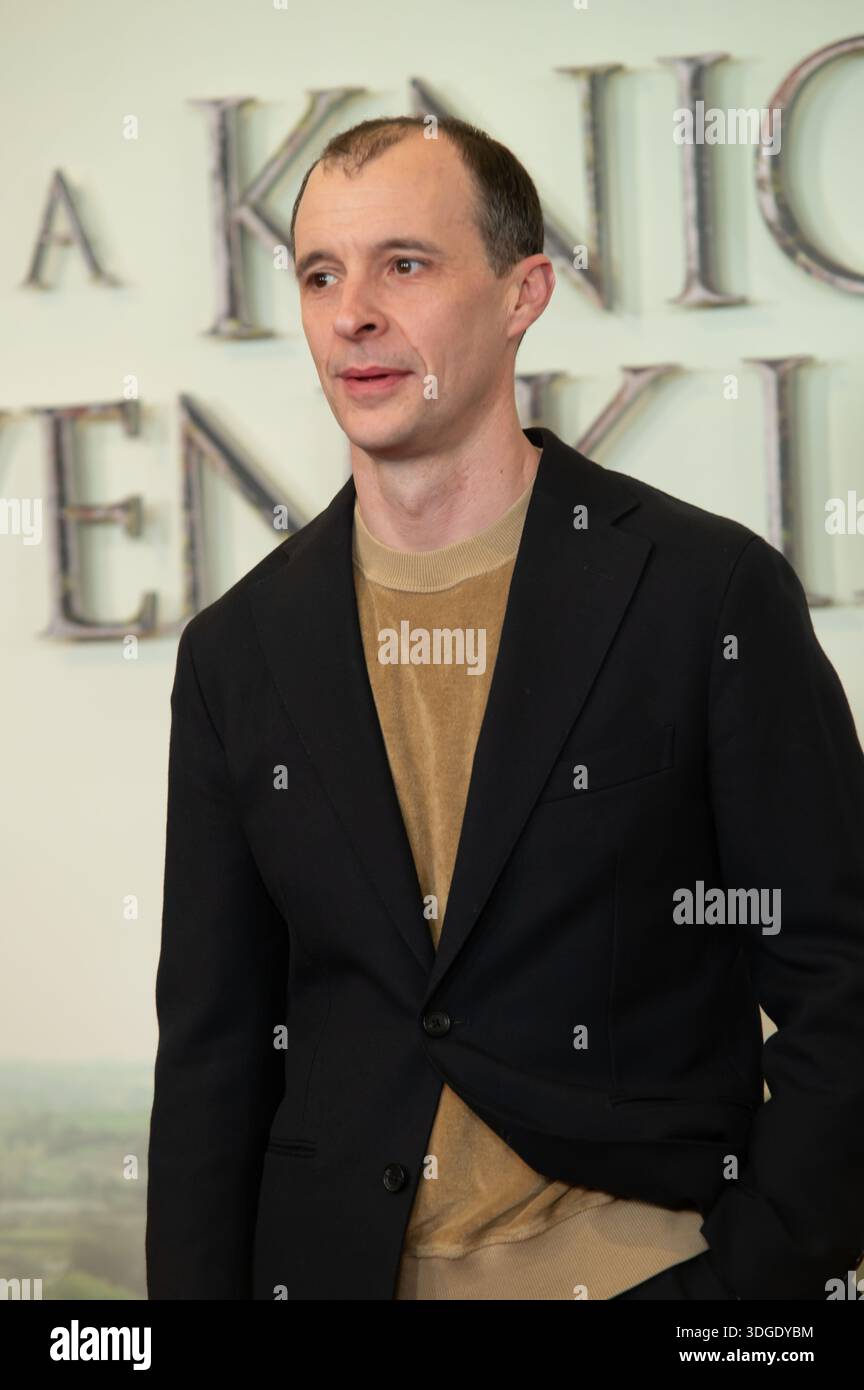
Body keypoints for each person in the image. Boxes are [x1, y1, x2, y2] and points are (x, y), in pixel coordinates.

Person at [145, 114, 864, 1301]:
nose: (353, 312)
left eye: (405, 265)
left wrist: (748, 1287)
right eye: (321, 273)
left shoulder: (703, 594)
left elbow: (841, 976)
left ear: (524, 292)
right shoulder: (239, 650)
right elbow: (217, 1053)